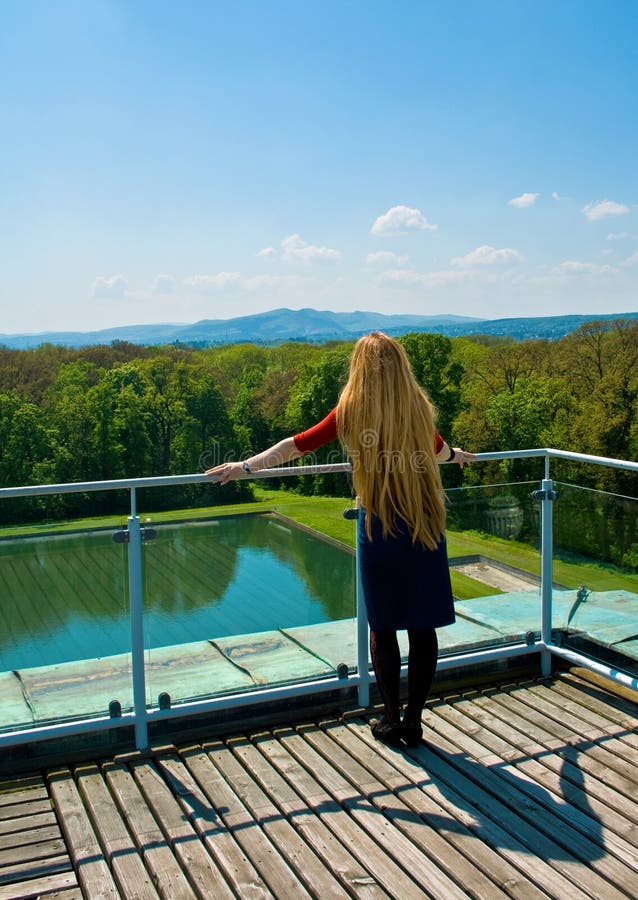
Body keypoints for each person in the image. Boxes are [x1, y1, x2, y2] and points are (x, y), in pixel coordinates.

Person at [206, 332, 475, 747]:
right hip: (424, 524)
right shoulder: (418, 408)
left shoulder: (353, 409)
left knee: (383, 627)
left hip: (379, 523)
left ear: (359, 369)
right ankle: (415, 722)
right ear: (402, 366)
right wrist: (459, 456)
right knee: (423, 629)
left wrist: (244, 467)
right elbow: (439, 453)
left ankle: (390, 720)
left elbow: (296, 446)